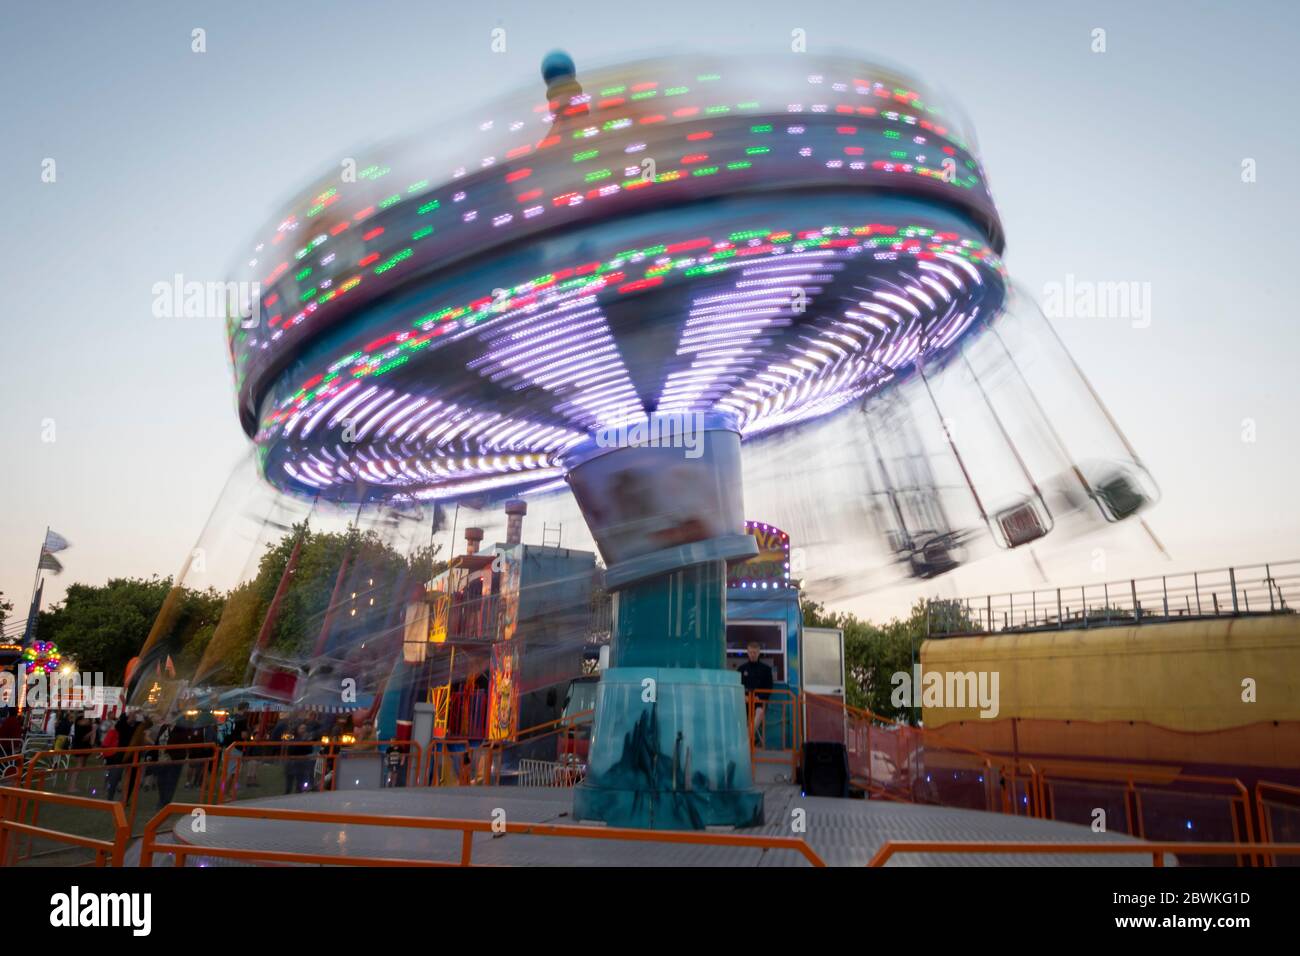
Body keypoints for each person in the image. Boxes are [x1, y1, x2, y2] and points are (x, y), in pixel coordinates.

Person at [737, 641, 774, 746]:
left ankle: (745, 740)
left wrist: (759, 697)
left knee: (760, 712)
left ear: (759, 653)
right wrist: (743, 696)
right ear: (747, 653)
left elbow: (769, 687)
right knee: (737, 715)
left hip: (759, 701)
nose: (752, 654)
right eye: (751, 652)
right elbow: (738, 686)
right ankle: (748, 740)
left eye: (755, 652)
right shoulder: (741, 669)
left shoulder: (766, 669)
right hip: (744, 702)